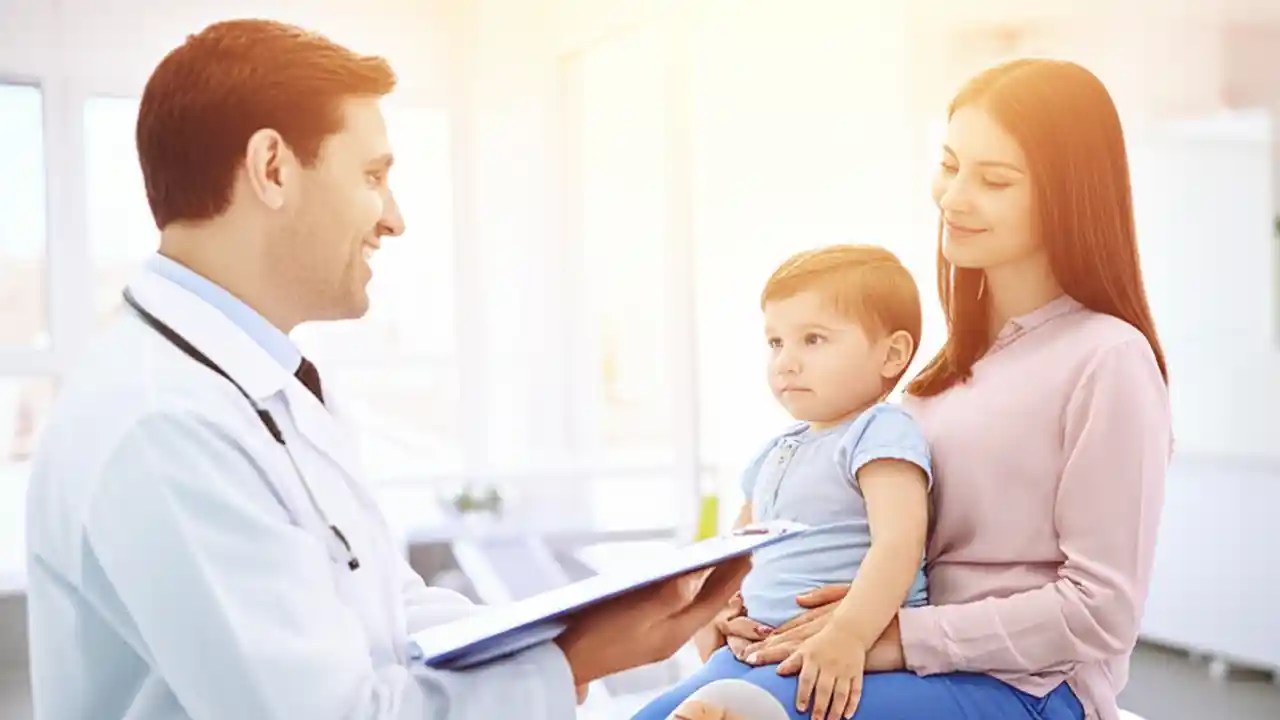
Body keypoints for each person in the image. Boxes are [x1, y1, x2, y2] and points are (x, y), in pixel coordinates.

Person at [23, 19, 748, 720]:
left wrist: (570, 626)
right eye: (372, 175)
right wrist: (572, 662)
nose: (393, 217)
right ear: (272, 169)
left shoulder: (262, 380)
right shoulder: (162, 426)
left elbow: (379, 606)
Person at [692, 58, 1171, 720]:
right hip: (906, 662)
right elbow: (867, 537)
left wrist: (897, 638)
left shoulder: (1107, 358)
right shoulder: (930, 381)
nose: (953, 198)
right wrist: (742, 608)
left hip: (1028, 689)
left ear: (1067, 195)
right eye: (949, 166)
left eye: (994, 180)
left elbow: (1102, 610)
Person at [634, 245, 933, 720]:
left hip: (841, 650)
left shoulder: (879, 432)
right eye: (776, 343)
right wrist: (718, 609)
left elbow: (900, 543)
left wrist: (850, 634)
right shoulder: (775, 452)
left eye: (813, 340)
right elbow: (737, 549)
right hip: (753, 649)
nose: (786, 362)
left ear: (892, 354)